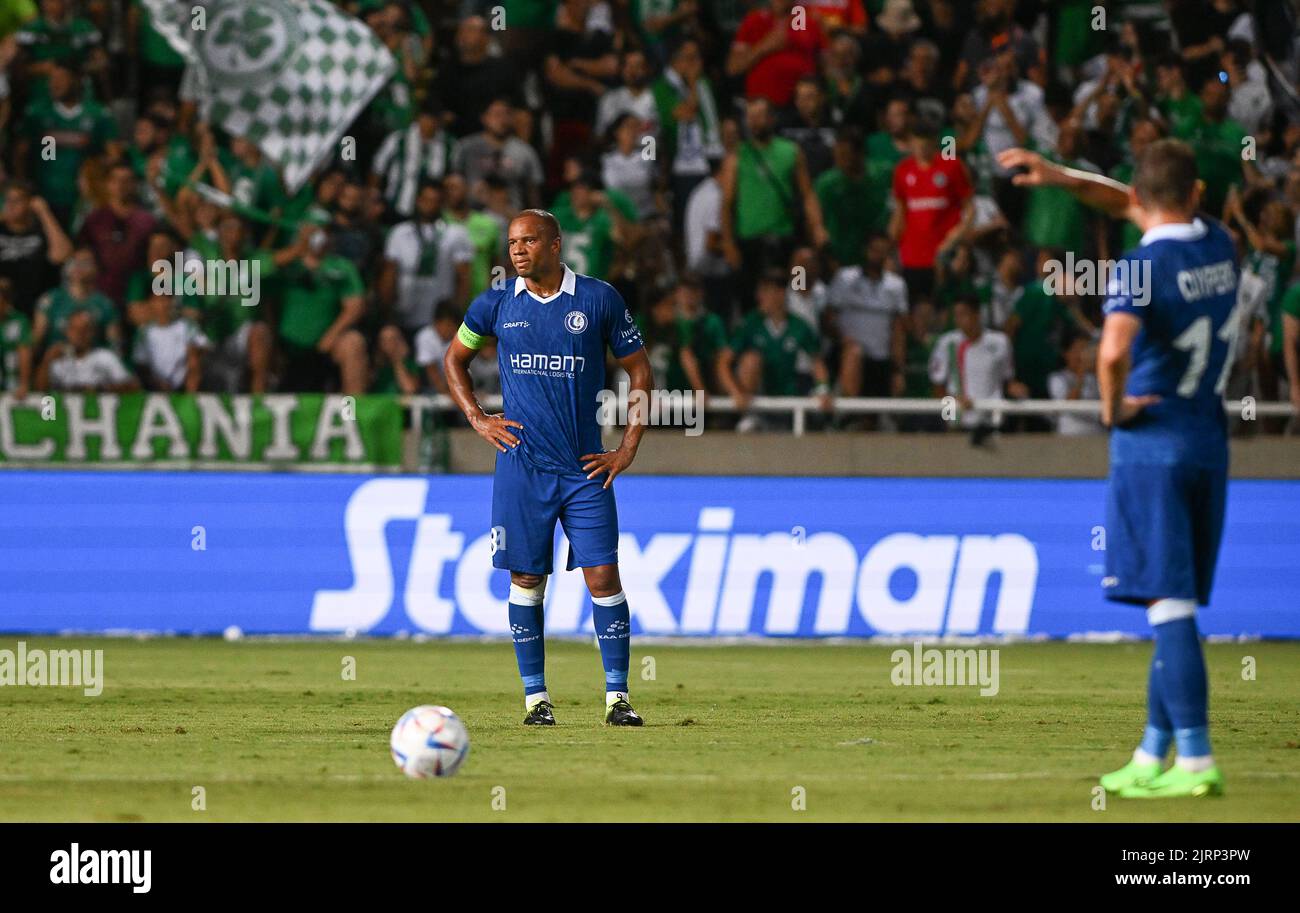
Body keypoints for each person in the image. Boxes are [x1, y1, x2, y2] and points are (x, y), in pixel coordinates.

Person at [999, 138, 1236, 798]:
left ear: (1138, 199)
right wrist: (1061, 178)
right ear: (1196, 195)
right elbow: (1132, 200)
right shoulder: (1219, 242)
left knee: (1167, 606)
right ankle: (1151, 751)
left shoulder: (1136, 267)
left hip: (1151, 446)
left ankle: (1195, 759)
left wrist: (1113, 410)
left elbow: (1110, 353)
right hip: (1207, 440)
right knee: (1178, 600)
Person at [443, 209, 652, 727]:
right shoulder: (493, 305)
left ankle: (617, 699)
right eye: (513, 242)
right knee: (526, 577)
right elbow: (453, 360)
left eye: (529, 240)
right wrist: (477, 418)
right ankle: (536, 700)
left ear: (556, 245)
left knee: (603, 576)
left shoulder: (599, 299)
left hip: (585, 467)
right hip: (521, 467)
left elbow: (640, 369)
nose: (517, 250)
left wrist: (627, 448)